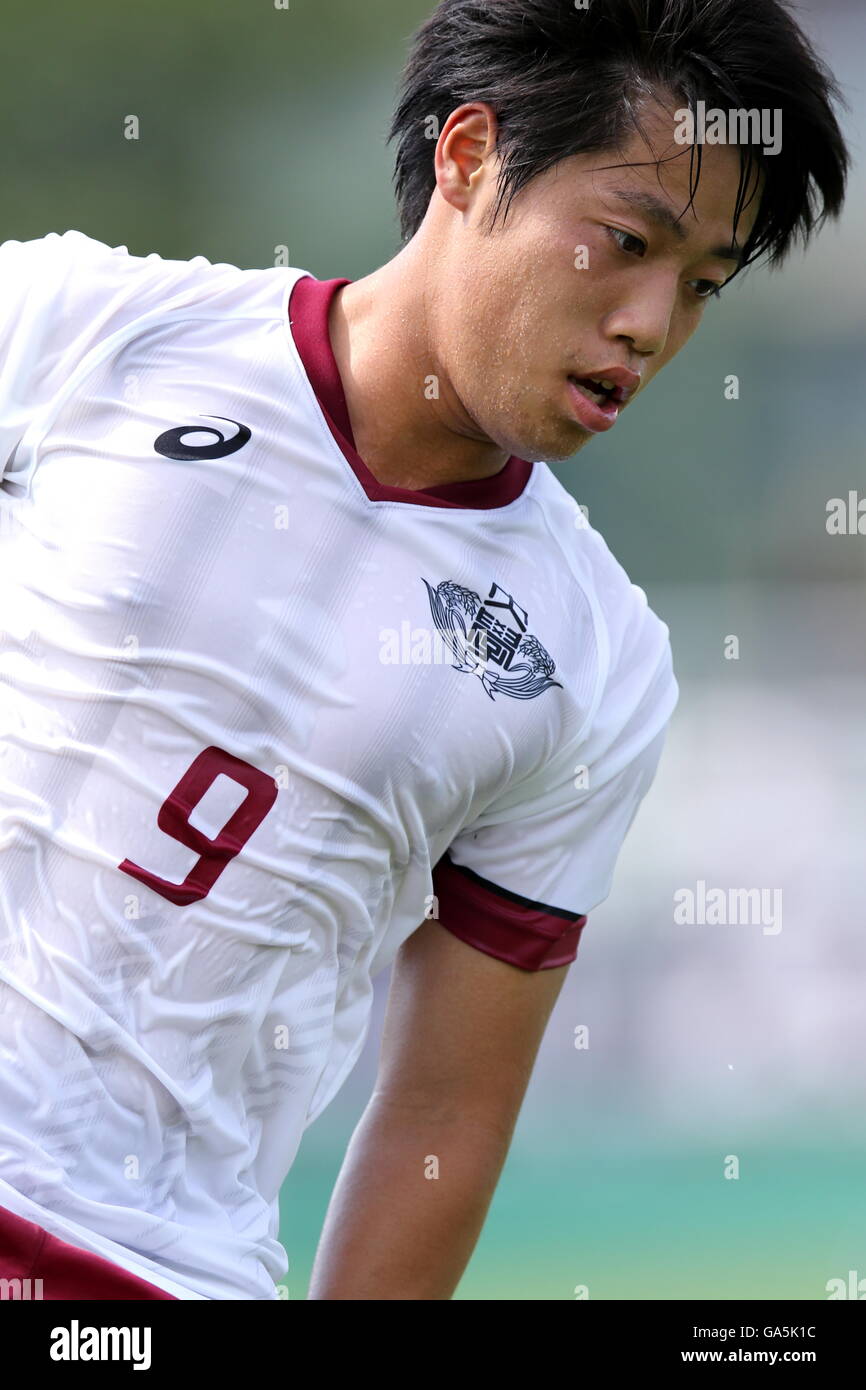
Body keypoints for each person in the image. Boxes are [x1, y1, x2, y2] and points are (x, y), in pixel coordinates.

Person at [0, 0, 848, 1300]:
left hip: (147, 1282)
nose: (647, 324)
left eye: (700, 286)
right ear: (467, 157)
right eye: (624, 242)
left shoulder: (598, 659)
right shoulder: (78, 331)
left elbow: (442, 1113)